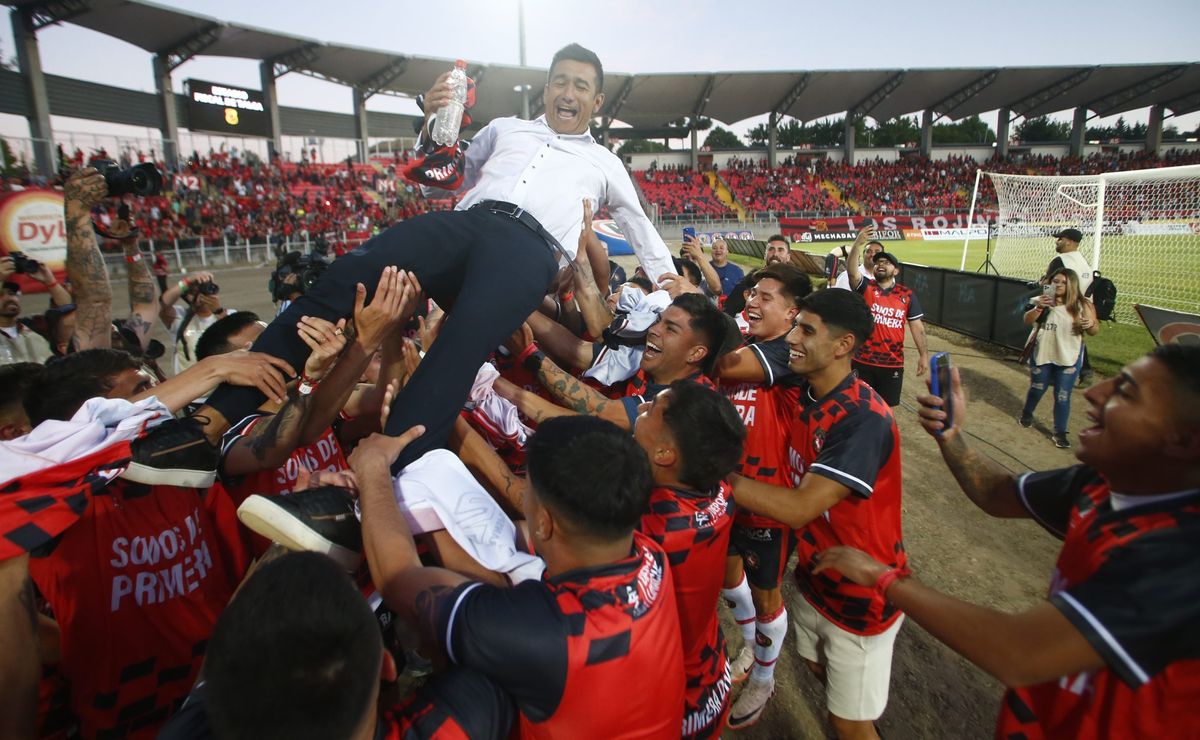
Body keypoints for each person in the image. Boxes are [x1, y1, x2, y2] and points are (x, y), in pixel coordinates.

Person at [201, 43, 674, 479]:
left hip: (531, 247)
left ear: (598, 101)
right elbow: (437, 183)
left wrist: (670, 278)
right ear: (547, 88)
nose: (568, 93)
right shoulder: (504, 129)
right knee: (349, 275)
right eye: (560, 81)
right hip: (464, 223)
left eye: (581, 86)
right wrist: (433, 122)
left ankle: (384, 478)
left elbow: (638, 224)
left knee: (458, 350)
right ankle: (218, 416)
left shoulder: (606, 163)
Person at [817, 343, 1200, 739]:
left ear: (1184, 441)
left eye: (1126, 392)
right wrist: (950, 435)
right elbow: (996, 494)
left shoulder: (1183, 559)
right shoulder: (1107, 482)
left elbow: (1019, 652)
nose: (1095, 392)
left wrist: (884, 579)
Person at [351, 416, 686, 738]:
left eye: (528, 494)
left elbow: (398, 578)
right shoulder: (646, 552)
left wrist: (372, 470)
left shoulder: (537, 630)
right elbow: (518, 540)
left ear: (545, 523)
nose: (522, 499)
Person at [728, 288, 906, 739]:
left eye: (806, 330)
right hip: (816, 576)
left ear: (843, 346)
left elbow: (801, 507)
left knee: (846, 722)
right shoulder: (807, 395)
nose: (792, 338)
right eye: (795, 327)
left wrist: (712, 476)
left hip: (862, 592)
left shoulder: (863, 418)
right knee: (816, 667)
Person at [157, 551, 515, 740]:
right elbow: (497, 624)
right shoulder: (465, 718)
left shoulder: (185, 729)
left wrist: (293, 535)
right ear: (388, 666)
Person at [710, 264, 811, 728]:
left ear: (792, 313)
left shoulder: (792, 355)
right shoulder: (751, 345)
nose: (752, 299)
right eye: (751, 292)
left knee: (768, 595)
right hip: (727, 492)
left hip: (768, 503)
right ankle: (751, 643)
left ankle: (764, 680)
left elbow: (724, 364)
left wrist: (698, 300)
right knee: (729, 577)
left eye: (766, 296)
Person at [632, 381, 745, 737]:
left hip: (672, 704)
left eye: (651, 410)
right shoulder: (718, 490)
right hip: (711, 675)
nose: (640, 410)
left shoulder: (649, 529)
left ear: (665, 454)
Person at [846, 226, 929, 407]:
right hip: (863, 361)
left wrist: (924, 355)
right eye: (878, 263)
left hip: (892, 364)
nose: (881, 265)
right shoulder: (866, 288)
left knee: (886, 410)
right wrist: (857, 244)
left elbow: (917, 327)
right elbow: (852, 272)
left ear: (896, 271)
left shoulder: (907, 295)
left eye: (886, 262)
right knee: (859, 405)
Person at [1019, 268, 1099, 448]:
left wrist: (1090, 323)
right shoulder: (1042, 300)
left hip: (1069, 356)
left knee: (1063, 395)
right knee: (1038, 388)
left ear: (1072, 284)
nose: (1059, 285)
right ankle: (1027, 413)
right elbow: (1027, 320)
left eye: (1063, 282)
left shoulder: (1082, 304)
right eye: (1056, 281)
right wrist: (1039, 308)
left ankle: (1060, 431)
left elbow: (1094, 331)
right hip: (1043, 352)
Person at [1041, 228, 1095, 386]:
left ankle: (1057, 372)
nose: (1057, 241)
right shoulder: (1083, 260)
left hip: (1063, 306)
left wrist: (1047, 305)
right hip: (1083, 305)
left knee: (1055, 338)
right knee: (1076, 338)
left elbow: (1050, 286)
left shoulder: (1060, 261)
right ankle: (1085, 372)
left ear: (1069, 241)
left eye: (1060, 239)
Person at [724, 234, 792, 317]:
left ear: (788, 257)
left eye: (780, 250)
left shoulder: (795, 282)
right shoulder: (752, 278)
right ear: (765, 255)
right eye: (771, 249)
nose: (775, 254)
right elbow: (729, 309)